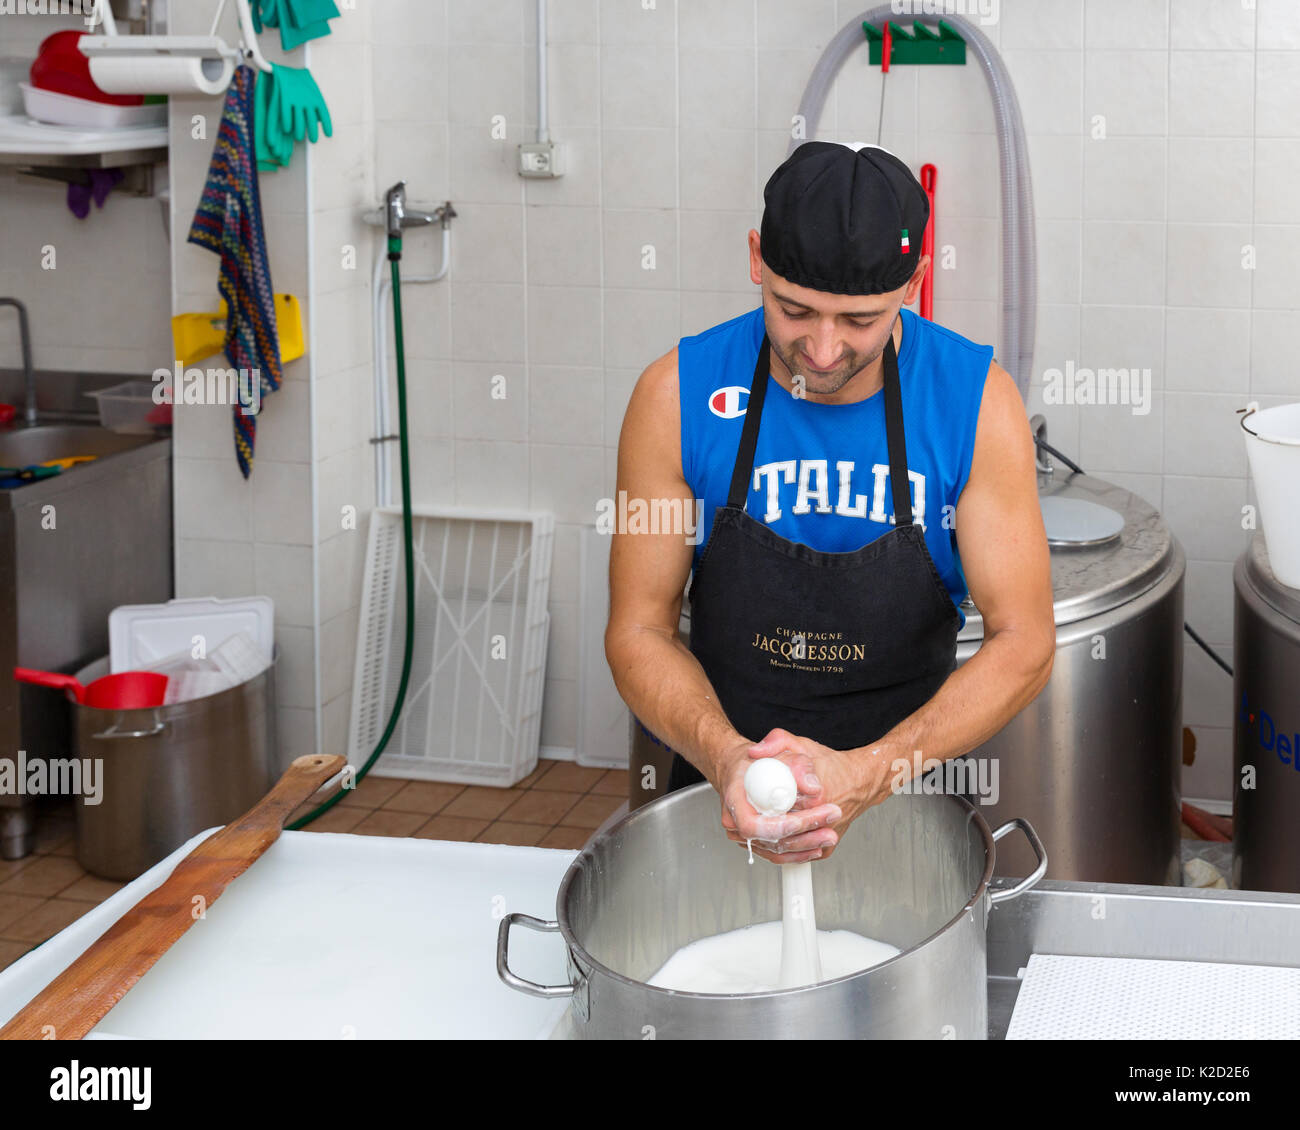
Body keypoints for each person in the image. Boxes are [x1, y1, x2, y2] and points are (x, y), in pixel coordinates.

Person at [606, 141, 1054, 865]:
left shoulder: (975, 404)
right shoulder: (675, 396)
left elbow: (1026, 643)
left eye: (859, 321)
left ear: (914, 283)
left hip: (910, 794)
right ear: (757, 259)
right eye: (794, 310)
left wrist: (871, 772)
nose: (820, 350)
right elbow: (638, 628)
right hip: (719, 796)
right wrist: (727, 760)